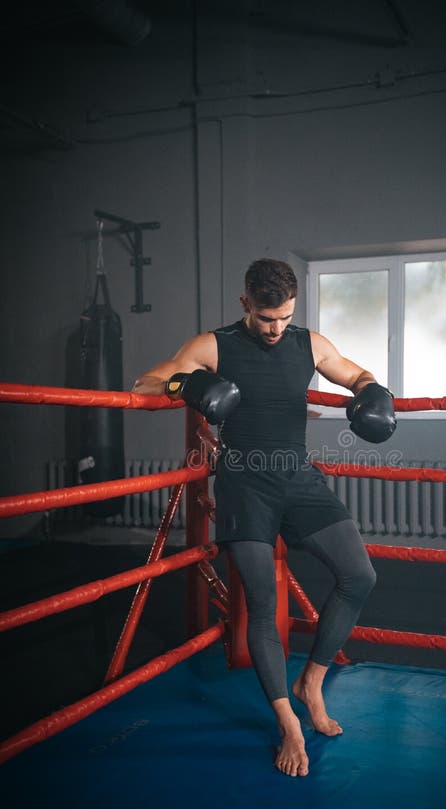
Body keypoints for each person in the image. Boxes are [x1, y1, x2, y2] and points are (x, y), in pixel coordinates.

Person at [133, 258, 396, 777]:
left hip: (298, 478)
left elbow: (356, 373)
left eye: (285, 318)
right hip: (244, 486)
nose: (276, 329)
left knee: (359, 575)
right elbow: (146, 383)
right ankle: (288, 723)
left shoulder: (310, 344)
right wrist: (184, 386)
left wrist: (371, 391)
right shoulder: (215, 345)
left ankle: (311, 682)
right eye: (265, 318)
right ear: (245, 304)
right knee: (261, 605)